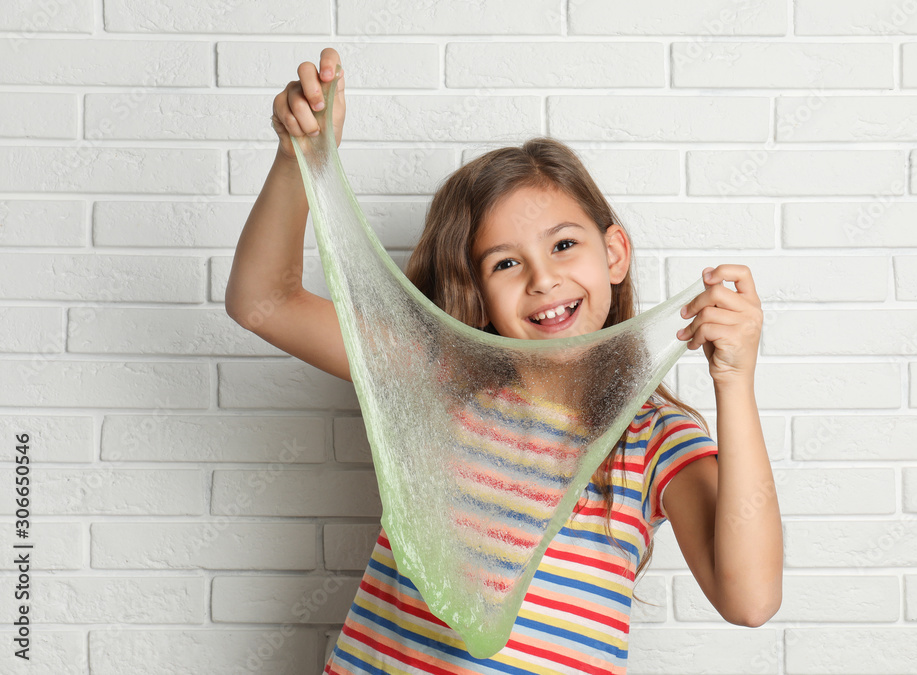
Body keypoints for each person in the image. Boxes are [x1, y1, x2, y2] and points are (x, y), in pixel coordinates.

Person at [226, 47, 783, 675]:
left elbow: (751, 600)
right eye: (506, 263)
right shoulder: (437, 379)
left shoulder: (651, 441)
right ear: (479, 289)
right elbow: (263, 302)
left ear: (615, 253)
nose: (544, 279)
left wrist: (733, 380)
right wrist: (302, 161)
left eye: (564, 245)